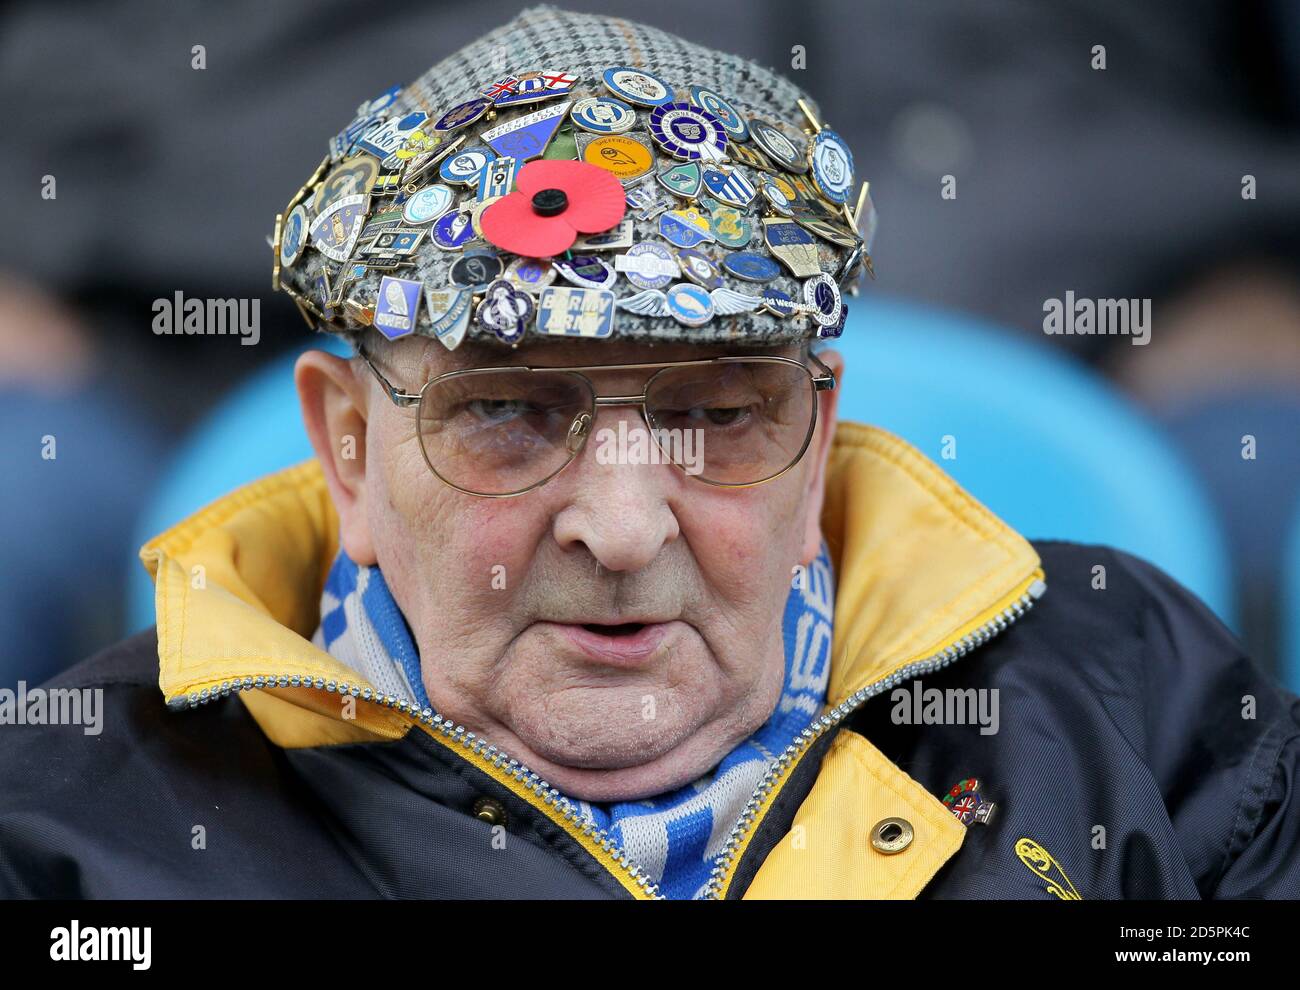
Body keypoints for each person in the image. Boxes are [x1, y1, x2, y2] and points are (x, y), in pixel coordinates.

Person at [2, 4, 1298, 900]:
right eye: (510, 414)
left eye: (719, 416)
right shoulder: (64, 842)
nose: (621, 532)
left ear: (819, 435)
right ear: (349, 448)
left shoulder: (1149, 713)